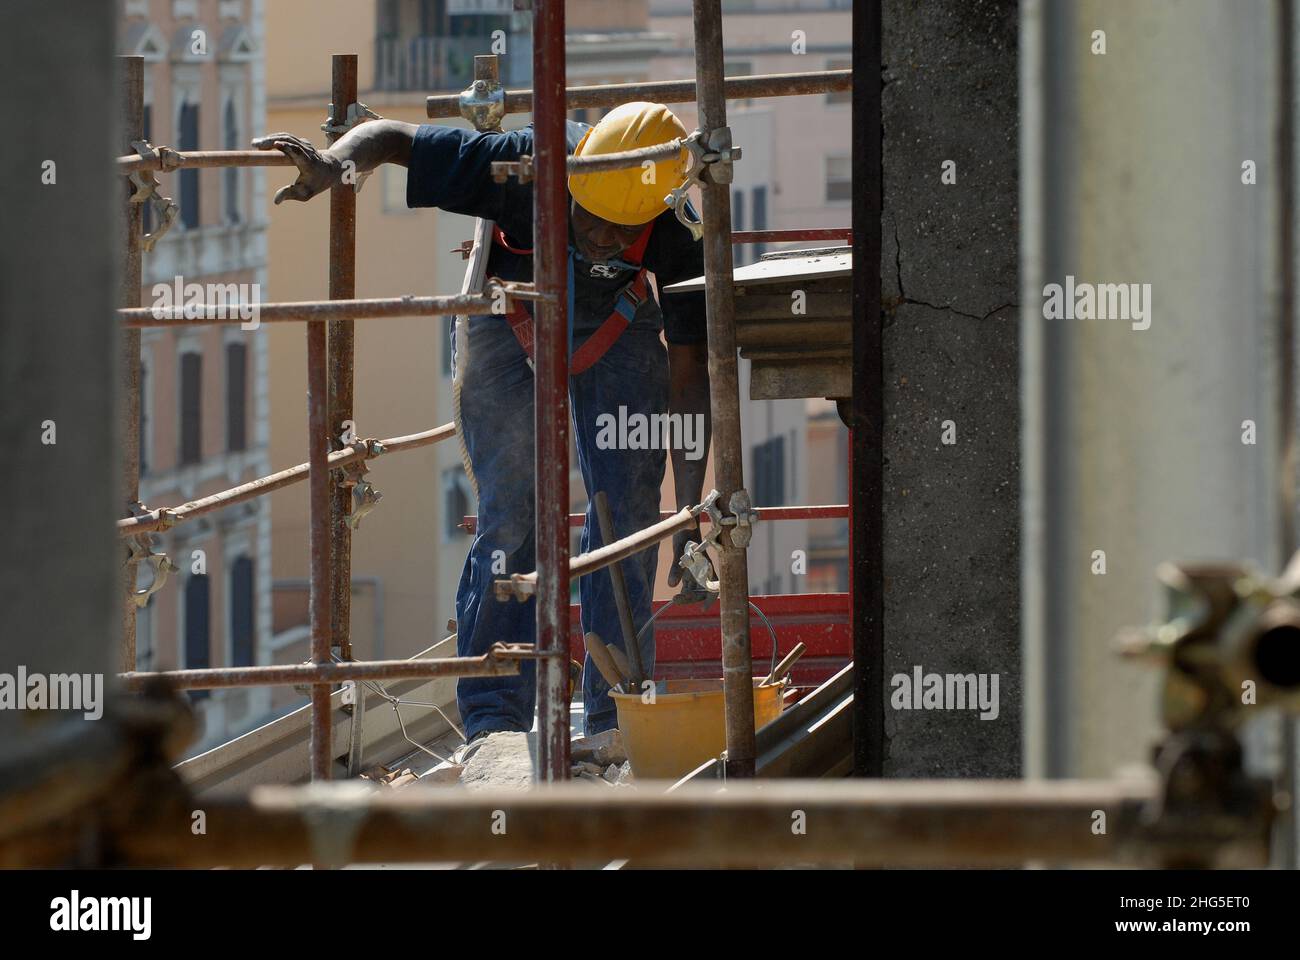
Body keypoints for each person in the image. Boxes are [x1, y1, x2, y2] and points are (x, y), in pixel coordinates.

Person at [255, 101, 713, 746]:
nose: (607, 239)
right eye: (596, 222)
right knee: (513, 515)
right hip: (508, 318)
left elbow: (692, 372)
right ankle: (495, 719)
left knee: (628, 515)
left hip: (619, 323)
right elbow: (390, 137)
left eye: (622, 231)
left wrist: (689, 514)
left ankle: (618, 714)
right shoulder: (523, 166)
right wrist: (335, 164)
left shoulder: (674, 227)